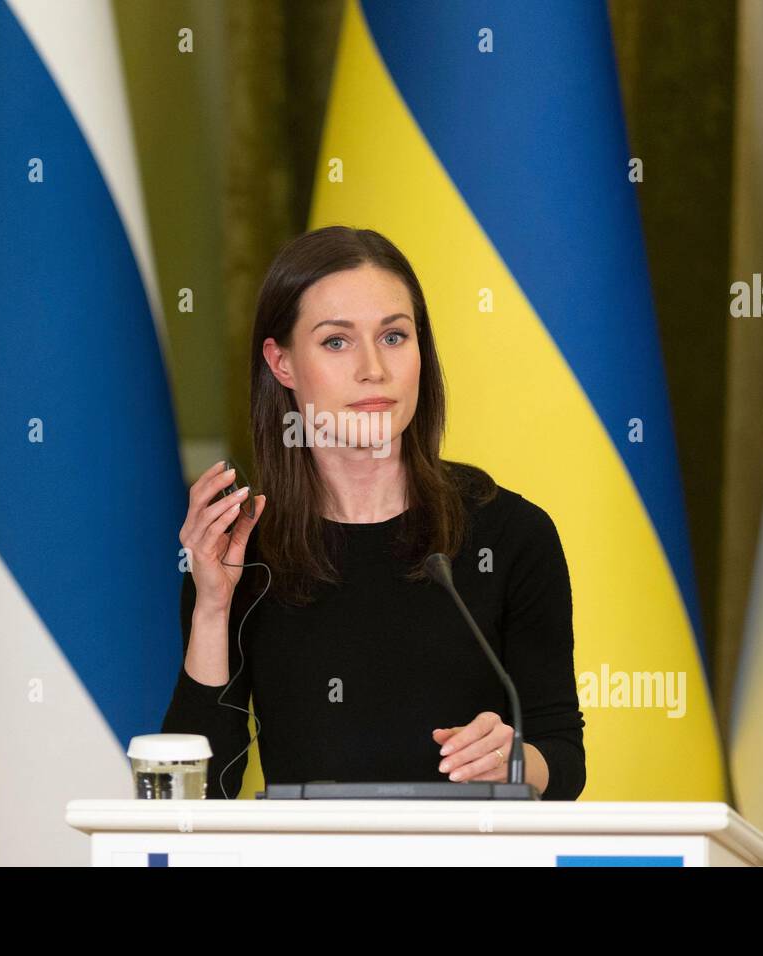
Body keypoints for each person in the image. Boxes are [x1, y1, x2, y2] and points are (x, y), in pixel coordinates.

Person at [162, 225, 585, 801]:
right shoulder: (242, 549)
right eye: (336, 342)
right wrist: (213, 607)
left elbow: (562, 756)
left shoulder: (510, 534)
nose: (373, 369)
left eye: (394, 337)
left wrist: (516, 760)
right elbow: (197, 795)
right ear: (281, 362)